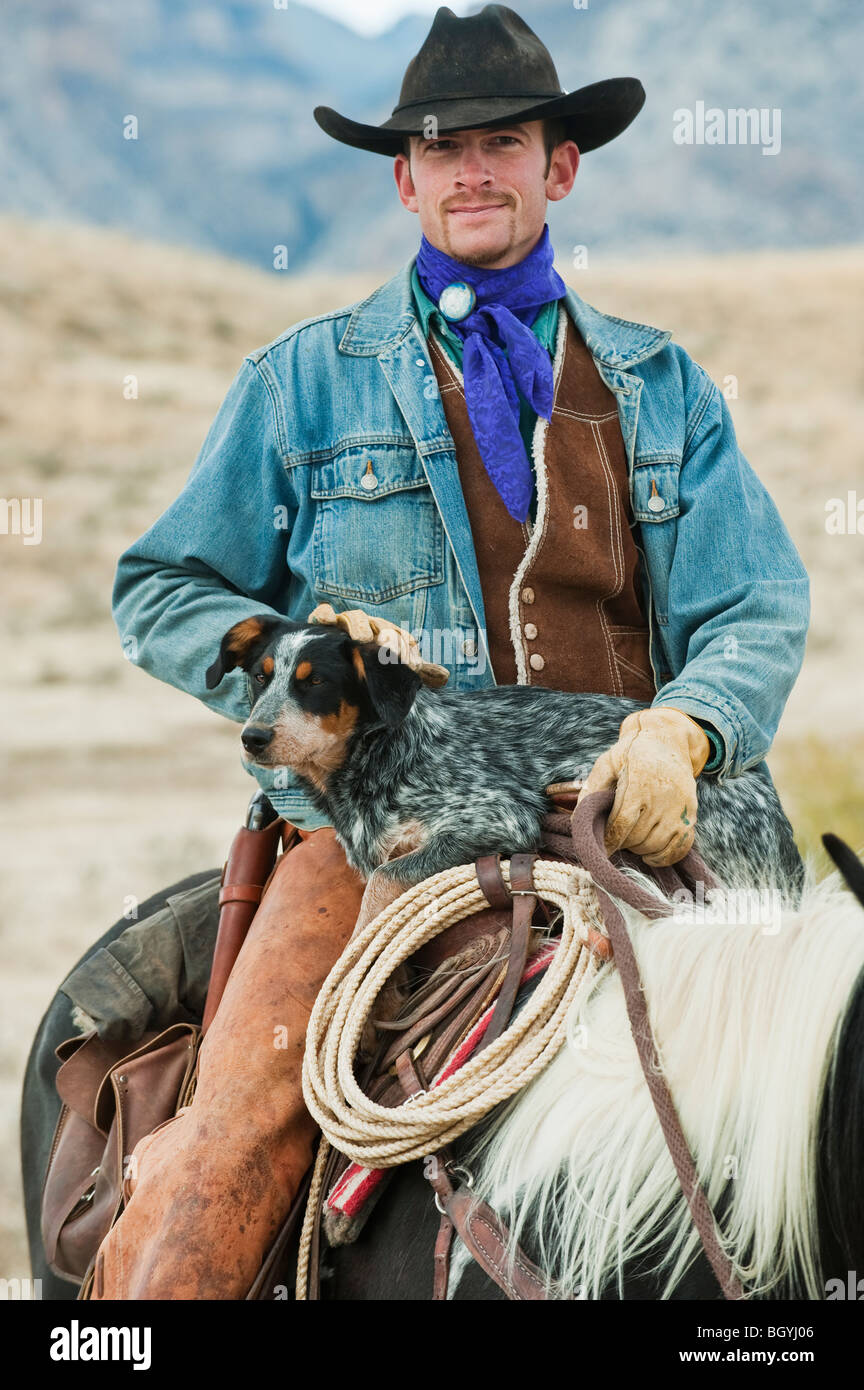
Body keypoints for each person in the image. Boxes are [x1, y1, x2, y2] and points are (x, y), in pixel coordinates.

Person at [93, 5, 809, 1298]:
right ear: (404, 177)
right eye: (444, 148)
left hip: (628, 813)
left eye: (505, 142)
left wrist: (685, 729)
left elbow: (754, 606)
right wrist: (291, 661)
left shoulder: (665, 387)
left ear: (560, 167)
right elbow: (160, 583)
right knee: (235, 1147)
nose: (473, 170)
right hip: (379, 839)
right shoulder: (302, 381)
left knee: (818, 1094)